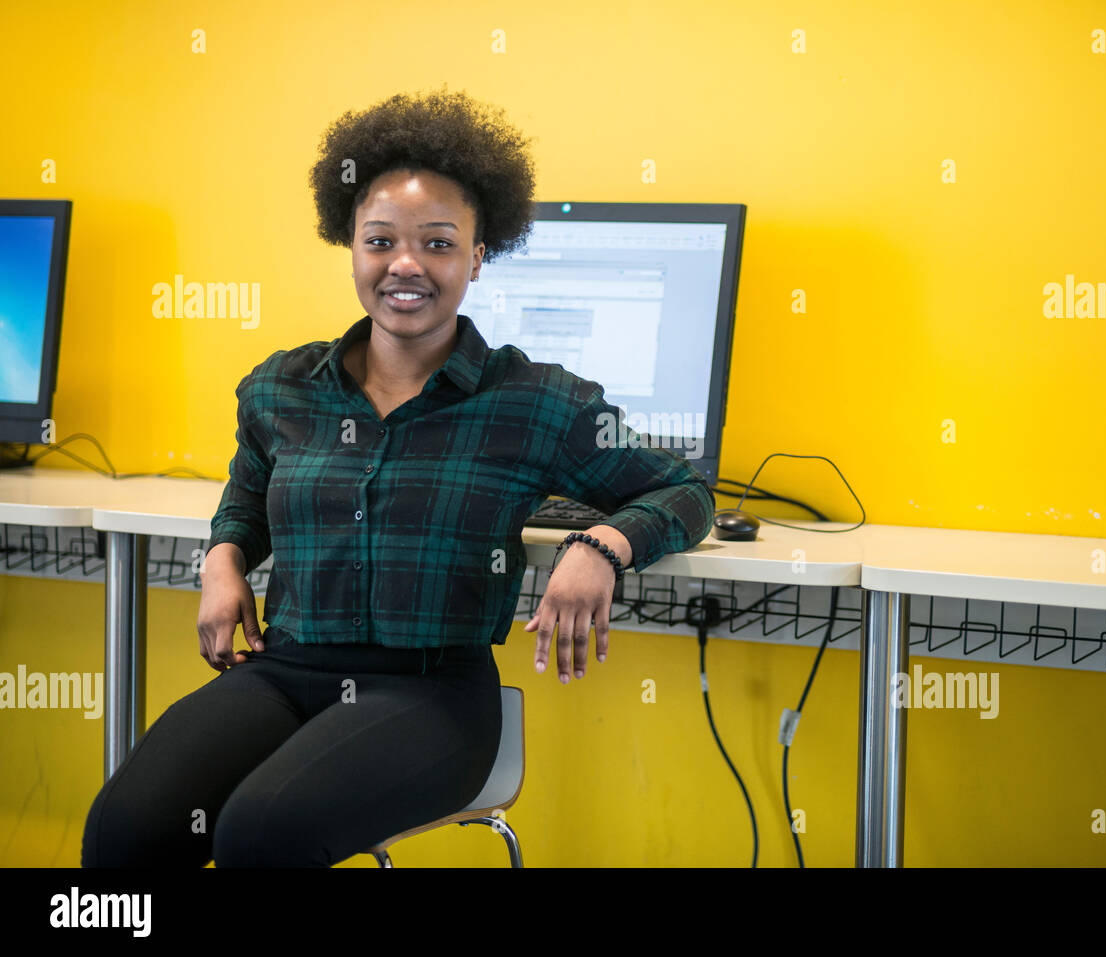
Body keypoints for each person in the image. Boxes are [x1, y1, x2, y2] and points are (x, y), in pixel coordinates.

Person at [81, 87, 715, 867]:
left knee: (261, 833)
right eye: (380, 240)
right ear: (349, 244)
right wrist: (222, 558)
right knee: (121, 834)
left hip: (432, 692)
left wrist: (603, 545)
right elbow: (246, 492)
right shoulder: (283, 386)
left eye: (439, 243)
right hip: (284, 671)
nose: (405, 265)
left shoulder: (537, 401)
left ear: (480, 255)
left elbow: (685, 487)